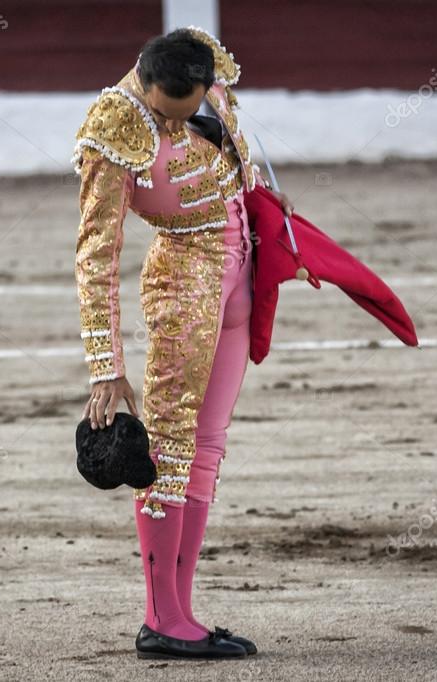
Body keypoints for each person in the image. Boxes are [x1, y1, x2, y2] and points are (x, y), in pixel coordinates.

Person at [72, 26, 293, 659]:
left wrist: (265, 203)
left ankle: (183, 613)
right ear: (146, 85)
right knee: (167, 450)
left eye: (189, 109)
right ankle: (161, 619)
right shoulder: (113, 126)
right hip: (183, 289)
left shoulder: (204, 73)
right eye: (167, 114)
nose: (177, 123)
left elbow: (236, 164)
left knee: (207, 446)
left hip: (239, 276)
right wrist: (106, 366)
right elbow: (95, 255)